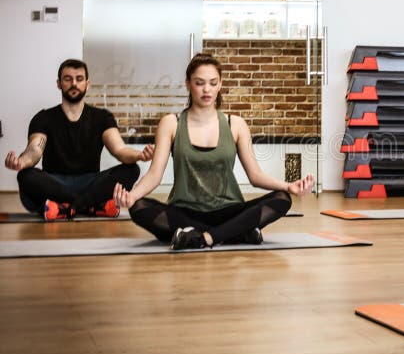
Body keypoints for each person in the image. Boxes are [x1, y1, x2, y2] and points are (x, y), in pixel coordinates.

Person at [113, 53, 314, 250]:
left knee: (281, 199)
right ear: (188, 84)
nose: (206, 89)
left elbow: (255, 176)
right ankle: (237, 232)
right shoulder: (171, 123)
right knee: (139, 207)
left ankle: (203, 237)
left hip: (229, 210)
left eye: (212, 82)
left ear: (220, 84)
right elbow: (154, 175)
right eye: (199, 83)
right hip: (184, 212)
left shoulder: (236, 124)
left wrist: (289, 186)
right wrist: (131, 196)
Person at [4, 59, 153, 220]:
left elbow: (120, 149)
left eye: (79, 79)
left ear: (87, 84)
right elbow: (35, 149)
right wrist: (22, 162)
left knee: (131, 169)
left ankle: (65, 207)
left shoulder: (102, 117)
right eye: (68, 79)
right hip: (55, 183)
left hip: (90, 182)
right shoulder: (43, 118)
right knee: (25, 175)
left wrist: (138, 155)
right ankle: (90, 205)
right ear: (59, 83)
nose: (74, 83)